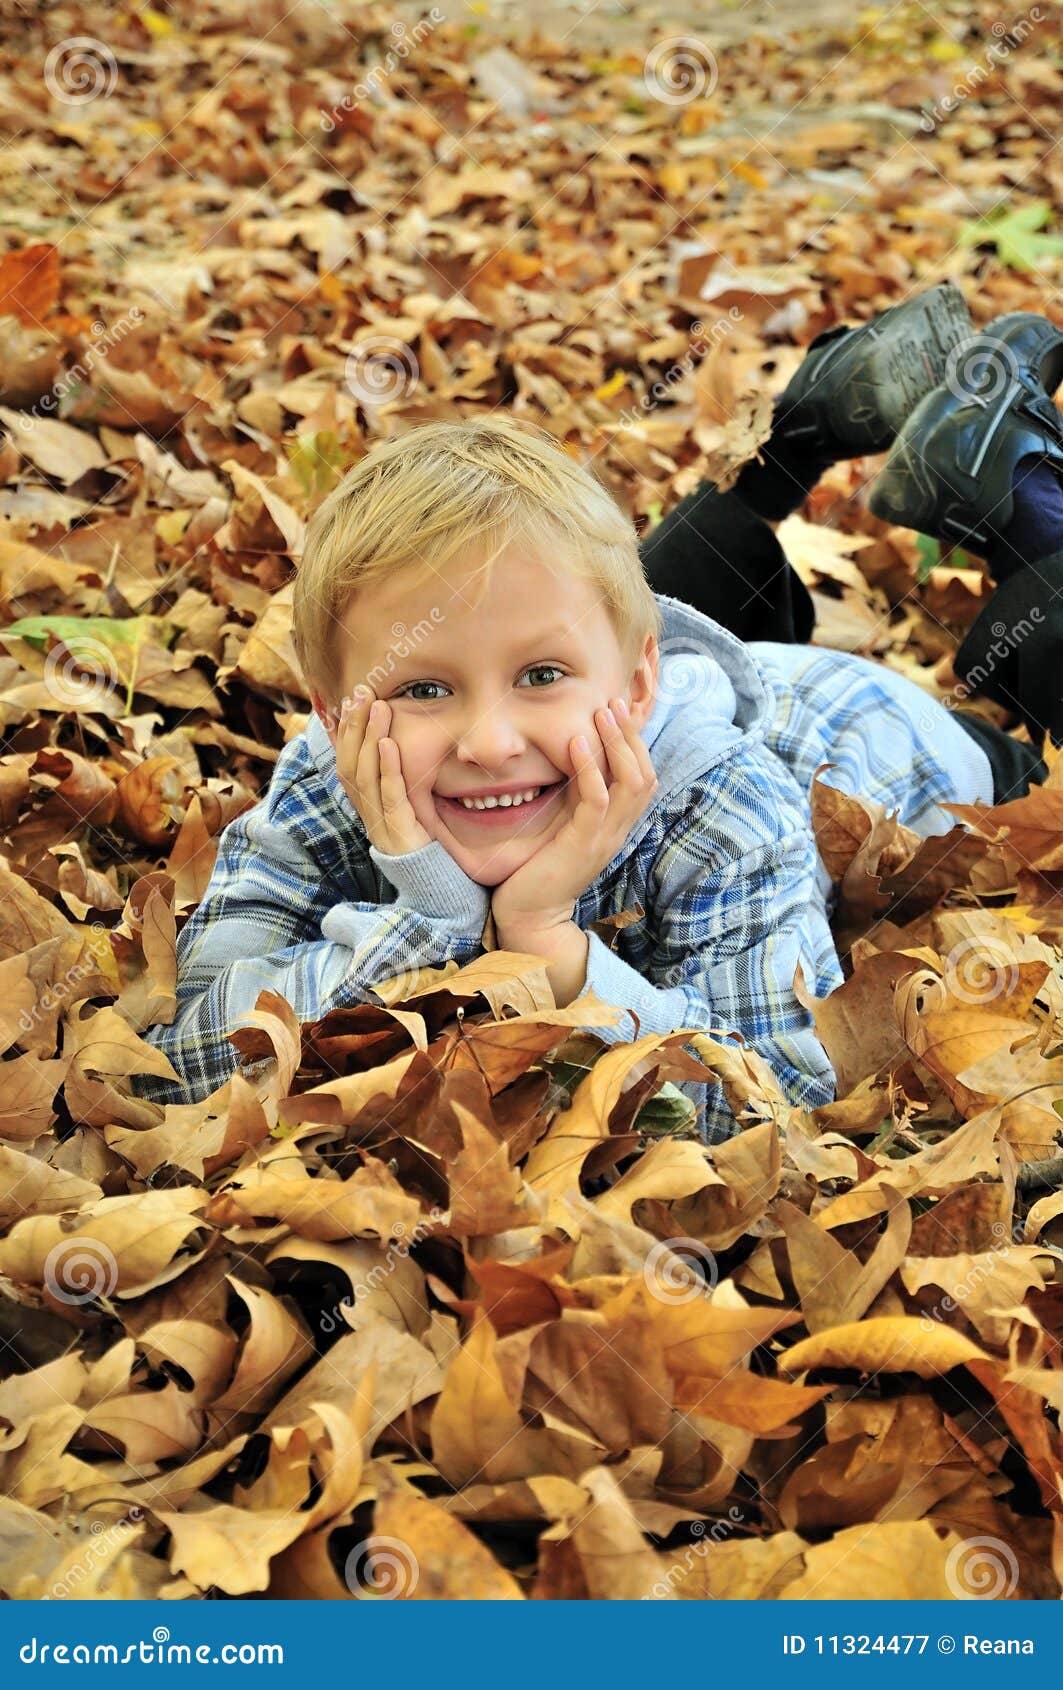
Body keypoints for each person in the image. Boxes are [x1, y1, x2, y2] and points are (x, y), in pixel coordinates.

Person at [128, 288, 1063, 1142]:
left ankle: (1029, 500)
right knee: (560, 601)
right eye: (422, 688)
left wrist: (547, 952)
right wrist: (446, 918)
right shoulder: (328, 779)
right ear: (334, 715)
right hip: (670, 671)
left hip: (878, 734)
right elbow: (187, 1054)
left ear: (639, 690)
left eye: (533, 679)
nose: (488, 744)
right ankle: (792, 440)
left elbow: (783, 1092)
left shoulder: (726, 808)